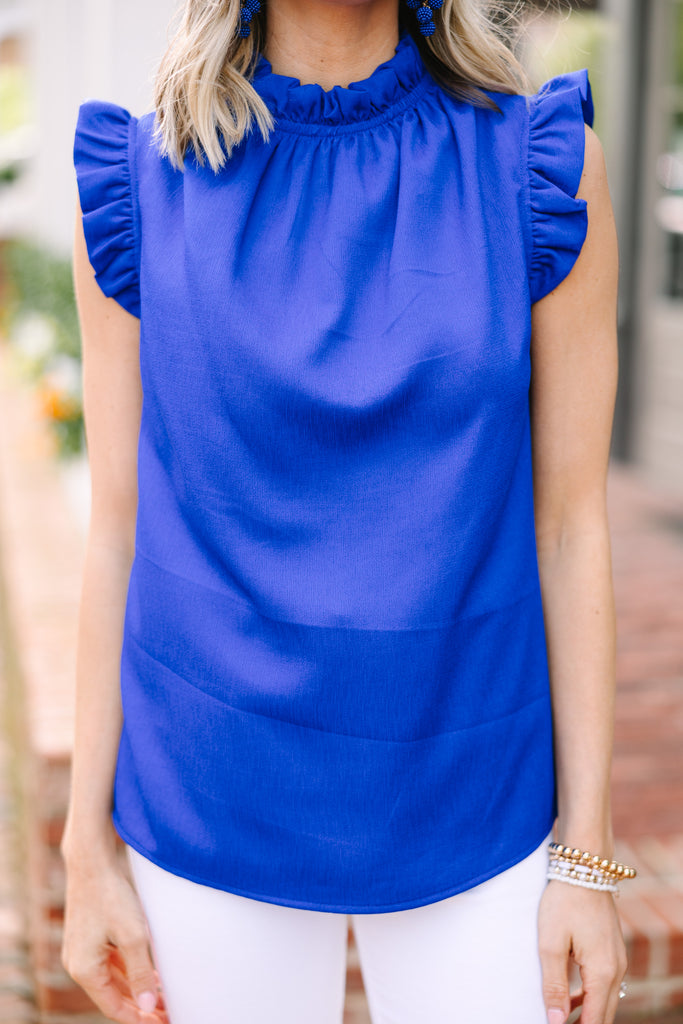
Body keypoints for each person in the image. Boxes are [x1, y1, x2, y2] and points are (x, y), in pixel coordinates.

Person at [59, 0, 632, 1020]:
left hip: (476, 790)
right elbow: (117, 527)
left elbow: (570, 524)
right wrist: (82, 848)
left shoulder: (537, 166)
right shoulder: (140, 180)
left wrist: (583, 857)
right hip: (210, 792)